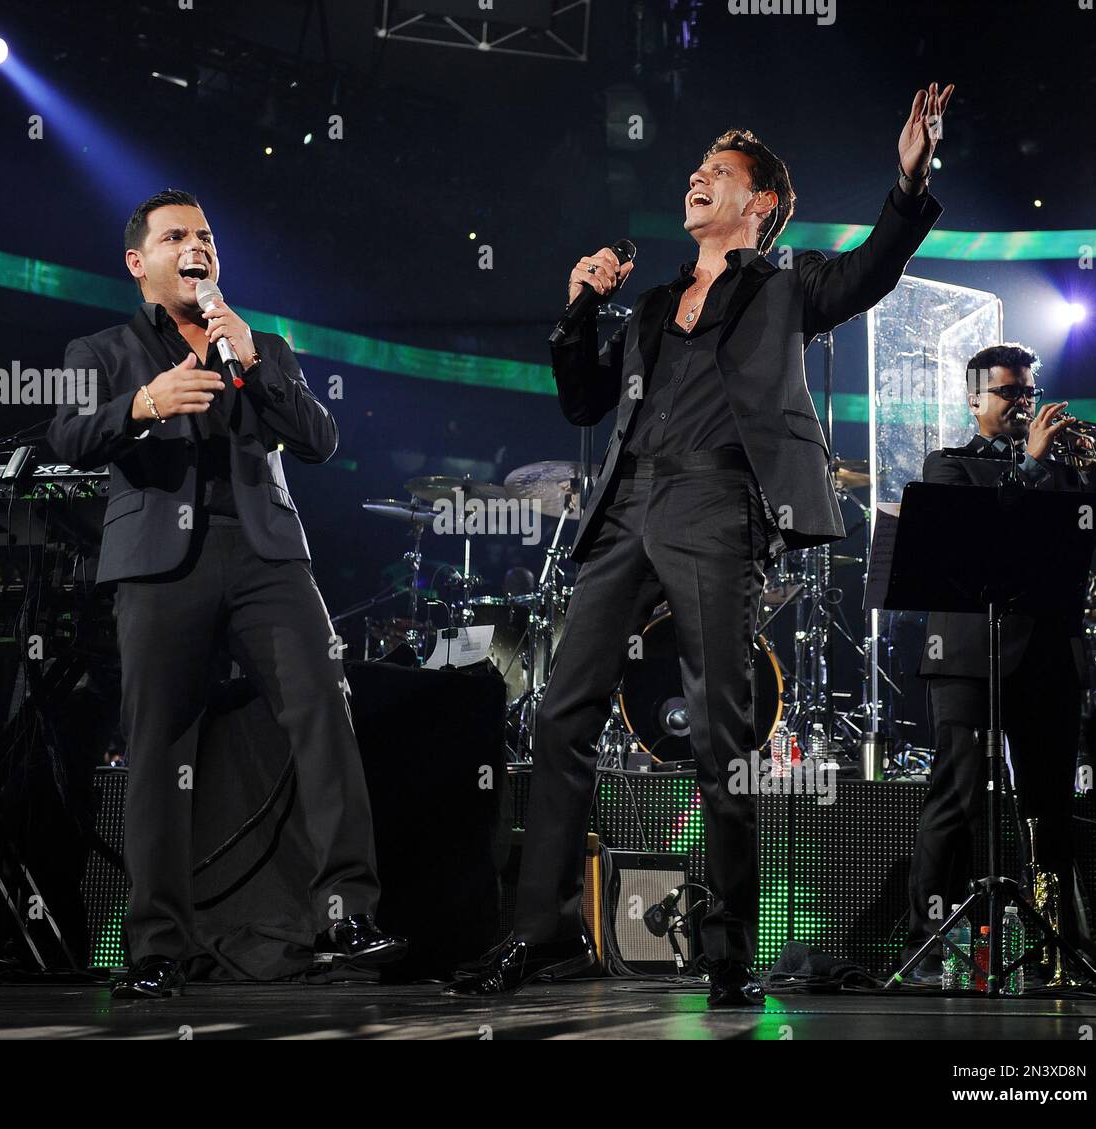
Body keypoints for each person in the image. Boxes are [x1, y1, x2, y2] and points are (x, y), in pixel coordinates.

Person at [448, 85, 952, 1004]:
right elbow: (583, 401)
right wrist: (576, 311)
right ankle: (537, 932)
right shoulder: (651, 302)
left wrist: (911, 180)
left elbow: (875, 265)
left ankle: (726, 949)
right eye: (698, 169)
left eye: (718, 173)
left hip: (720, 501)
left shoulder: (787, 282)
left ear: (759, 205)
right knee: (563, 710)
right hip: (630, 502)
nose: (698, 178)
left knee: (721, 728)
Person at [48, 188, 404, 999]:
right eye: (175, 236)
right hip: (156, 561)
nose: (195, 245)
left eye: (204, 235)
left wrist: (254, 359)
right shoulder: (99, 350)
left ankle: (347, 913)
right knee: (158, 751)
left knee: (323, 712)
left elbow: (320, 438)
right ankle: (158, 947)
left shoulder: (261, 343)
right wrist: (143, 404)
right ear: (139, 262)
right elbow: (64, 437)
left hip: (265, 555)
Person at [903, 343, 1096, 984]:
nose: (1024, 404)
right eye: (1010, 393)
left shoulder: (1065, 471)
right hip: (968, 657)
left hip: (1048, 658)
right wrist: (1031, 468)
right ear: (974, 398)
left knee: (1050, 803)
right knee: (954, 798)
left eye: (1029, 392)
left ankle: (1058, 946)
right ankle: (929, 947)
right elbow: (974, 536)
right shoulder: (949, 465)